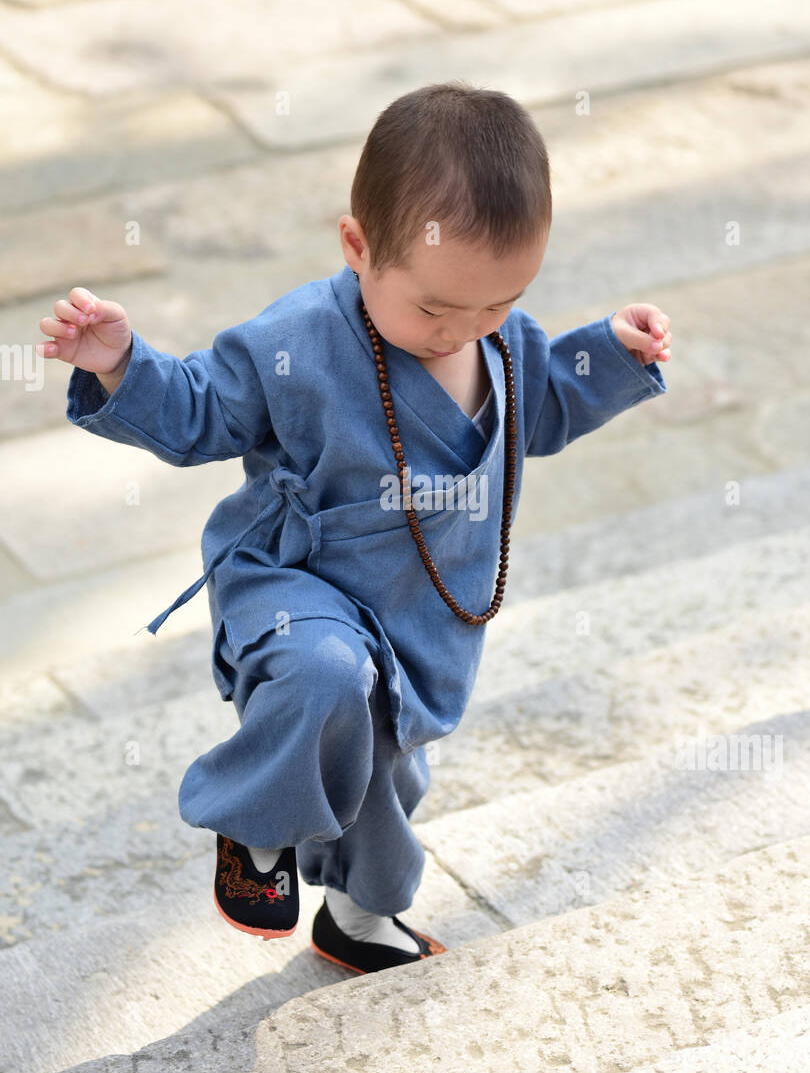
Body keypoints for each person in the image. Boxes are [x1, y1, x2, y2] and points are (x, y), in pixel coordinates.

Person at [38, 81, 672, 974]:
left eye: (497, 304)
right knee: (323, 677)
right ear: (357, 245)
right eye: (432, 309)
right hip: (298, 584)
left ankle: (359, 914)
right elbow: (200, 413)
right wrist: (119, 364)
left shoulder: (501, 343)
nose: (462, 332)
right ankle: (254, 829)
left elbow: (551, 403)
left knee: (386, 777)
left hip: (420, 615)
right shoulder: (295, 341)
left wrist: (609, 349)